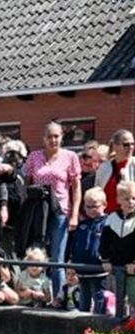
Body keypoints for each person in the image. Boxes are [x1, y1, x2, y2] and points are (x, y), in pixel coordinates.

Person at [23, 122, 81, 297]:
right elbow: (27, 183)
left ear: (62, 137)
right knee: (37, 257)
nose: (53, 140)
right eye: (49, 136)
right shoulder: (34, 156)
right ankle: (35, 295)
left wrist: (74, 215)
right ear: (44, 138)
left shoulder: (70, 156)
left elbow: (76, 187)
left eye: (56, 136)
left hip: (60, 211)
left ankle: (59, 298)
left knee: (57, 258)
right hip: (38, 212)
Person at [100, 180, 135, 318]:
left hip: (132, 269)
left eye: (134, 198)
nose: (131, 202)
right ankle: (117, 327)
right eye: (127, 199)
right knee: (116, 299)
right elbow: (104, 241)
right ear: (119, 199)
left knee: (133, 296)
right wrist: (105, 260)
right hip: (115, 267)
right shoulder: (111, 218)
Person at [70, 186, 108, 314]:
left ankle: (99, 324)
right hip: (82, 267)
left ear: (104, 205)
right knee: (84, 296)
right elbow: (75, 243)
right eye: (87, 206)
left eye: (95, 206)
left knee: (99, 296)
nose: (91, 210)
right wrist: (72, 259)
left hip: (99, 268)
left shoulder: (107, 223)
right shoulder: (82, 225)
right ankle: (83, 324)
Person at [96, 129, 135, 212]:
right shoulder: (104, 168)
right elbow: (97, 193)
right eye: (126, 145)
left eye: (132, 144)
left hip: (131, 218)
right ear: (115, 146)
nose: (130, 147)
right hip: (108, 217)